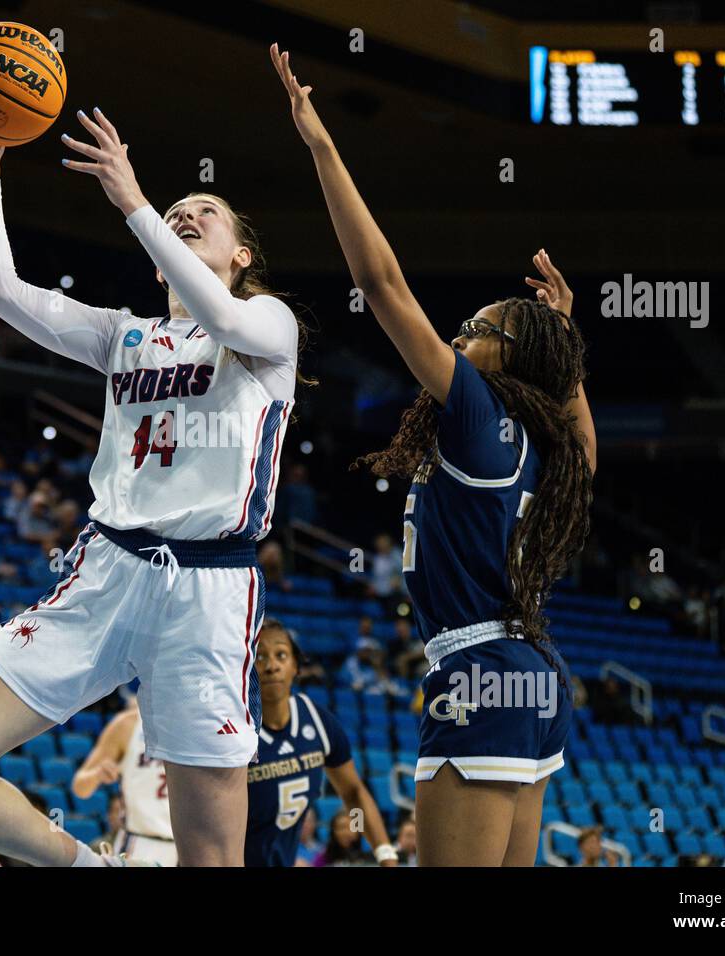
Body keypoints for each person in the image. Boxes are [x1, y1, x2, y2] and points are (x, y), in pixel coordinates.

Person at [0, 96, 305, 868]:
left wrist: (139, 203)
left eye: (205, 211)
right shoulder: (125, 335)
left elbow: (224, 318)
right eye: (176, 213)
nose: (187, 214)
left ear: (242, 256)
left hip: (209, 592)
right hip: (105, 570)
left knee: (212, 860)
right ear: (157, 264)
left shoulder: (269, 328)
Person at [271, 44, 595, 867]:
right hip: (534, 672)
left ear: (509, 363)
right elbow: (588, 449)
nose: (461, 334)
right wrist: (566, 346)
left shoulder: (479, 415)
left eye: (482, 330)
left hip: (480, 667)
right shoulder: (542, 440)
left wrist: (323, 148)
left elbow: (382, 286)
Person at [245, 620, 397, 867]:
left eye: (281, 655)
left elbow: (352, 794)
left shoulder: (317, 721)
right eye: (260, 658)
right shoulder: (238, 730)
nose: (271, 666)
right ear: (247, 668)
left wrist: (378, 849)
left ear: (296, 666)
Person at [72, 695, 177, 866]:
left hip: (193, 846)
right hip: (142, 843)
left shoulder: (203, 726)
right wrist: (98, 774)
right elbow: (80, 786)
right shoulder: (128, 725)